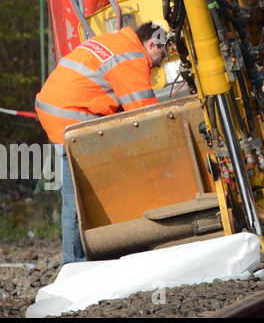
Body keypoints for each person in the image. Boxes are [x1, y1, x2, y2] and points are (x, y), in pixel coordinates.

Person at [35, 22, 169, 264]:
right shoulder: (132, 57)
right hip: (70, 118)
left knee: (83, 191)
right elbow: (148, 117)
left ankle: (94, 254)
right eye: (162, 54)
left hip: (56, 109)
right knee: (77, 195)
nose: (160, 63)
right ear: (151, 43)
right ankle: (75, 264)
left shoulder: (115, 42)